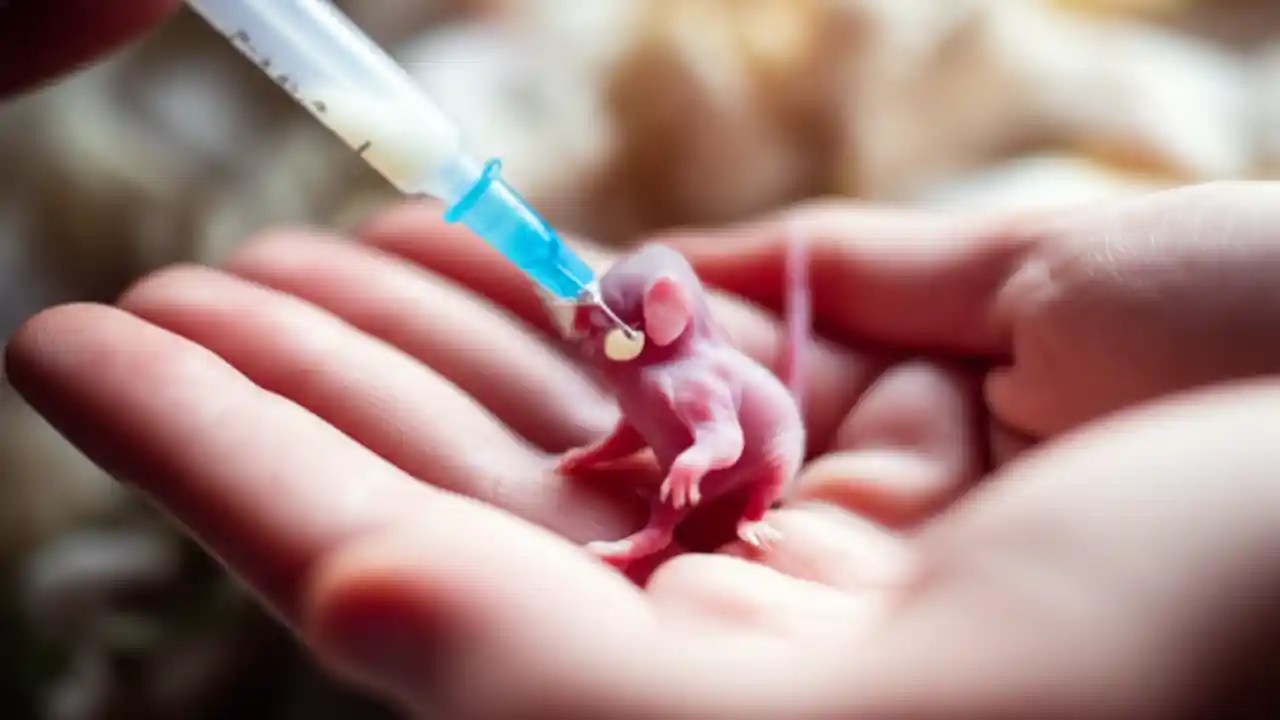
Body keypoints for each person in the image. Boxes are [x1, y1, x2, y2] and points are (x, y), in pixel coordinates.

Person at [6, 7, 1280, 718]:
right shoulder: (637, 361)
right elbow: (646, 416)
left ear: (662, 321)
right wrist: (621, 450)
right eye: (602, 323)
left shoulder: (685, 369)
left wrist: (685, 492)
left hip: (757, 457)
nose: (596, 329)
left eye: (619, 321)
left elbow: (721, 435)